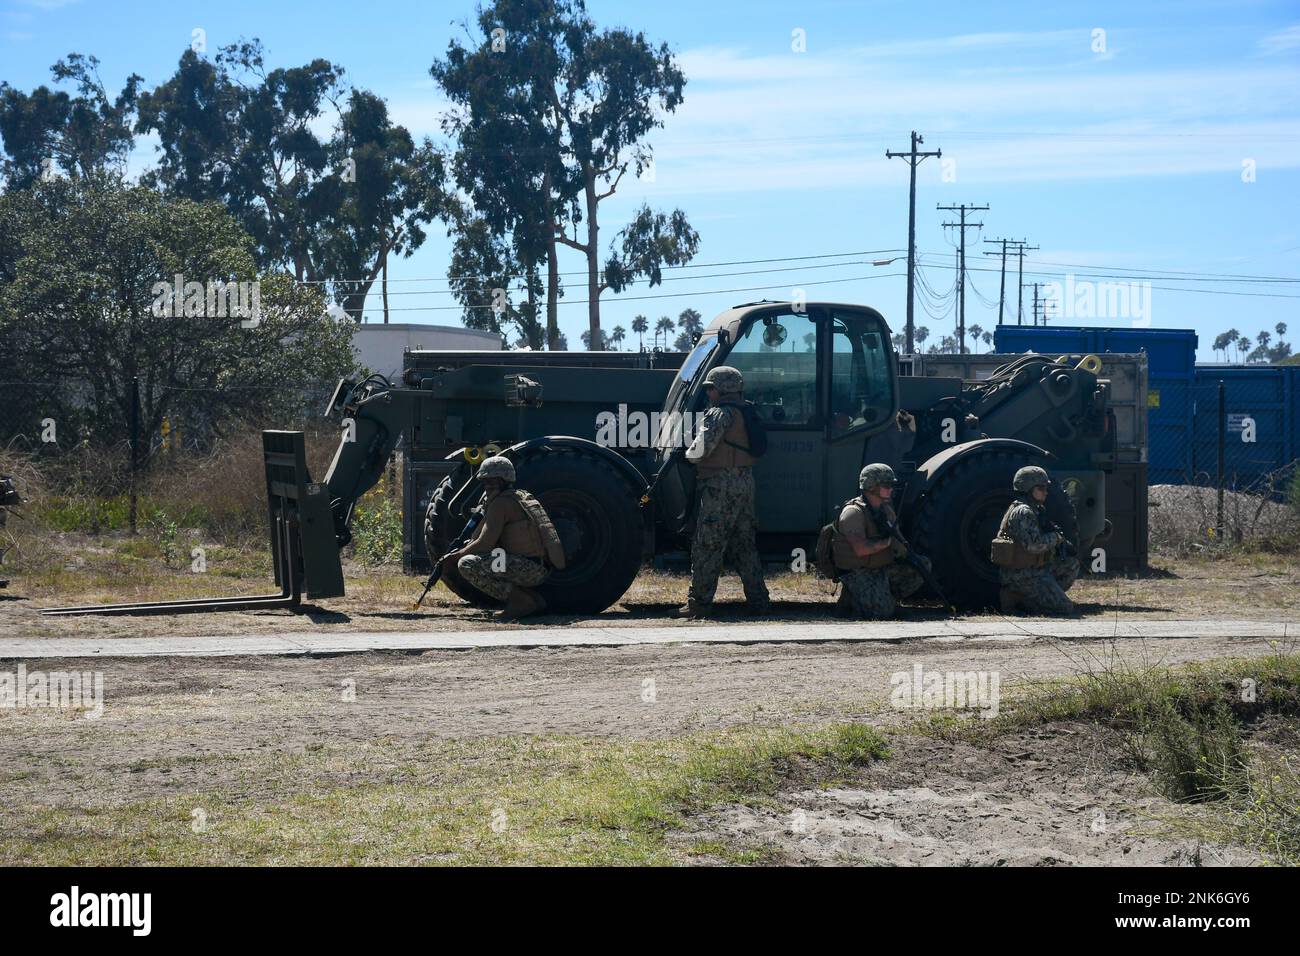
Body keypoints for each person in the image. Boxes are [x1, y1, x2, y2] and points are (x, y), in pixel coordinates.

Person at [676, 365, 770, 619]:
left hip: (720, 484)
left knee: (708, 544)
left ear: (720, 389)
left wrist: (684, 454)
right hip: (744, 481)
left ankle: (699, 604)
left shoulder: (719, 414)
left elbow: (700, 451)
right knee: (744, 544)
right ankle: (759, 601)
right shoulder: (746, 410)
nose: (709, 394)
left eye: (711, 388)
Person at [442, 456, 564, 620]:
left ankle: (521, 602)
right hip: (535, 566)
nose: (488, 486)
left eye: (494, 482)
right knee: (478, 557)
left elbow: (485, 543)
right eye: (486, 482)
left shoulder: (501, 504)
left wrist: (455, 557)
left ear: (504, 481)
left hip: (530, 568)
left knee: (467, 564)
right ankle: (531, 599)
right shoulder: (517, 496)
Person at [832, 463, 930, 619]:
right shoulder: (853, 513)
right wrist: (887, 543)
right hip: (858, 573)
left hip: (880, 568)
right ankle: (853, 599)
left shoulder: (885, 510)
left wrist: (906, 552)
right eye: (887, 485)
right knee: (881, 614)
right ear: (871, 486)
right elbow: (860, 549)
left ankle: (880, 598)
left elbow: (902, 543)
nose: (891, 489)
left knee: (921, 565)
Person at [991, 466, 1080, 616]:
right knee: (1064, 608)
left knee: (1071, 565)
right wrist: (1057, 538)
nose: (1045, 491)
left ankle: (1041, 595)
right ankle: (1019, 598)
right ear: (1028, 488)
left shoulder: (1035, 509)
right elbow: (1034, 545)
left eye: (1046, 487)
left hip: (1033, 568)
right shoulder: (1023, 512)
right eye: (1041, 488)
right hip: (1021, 574)